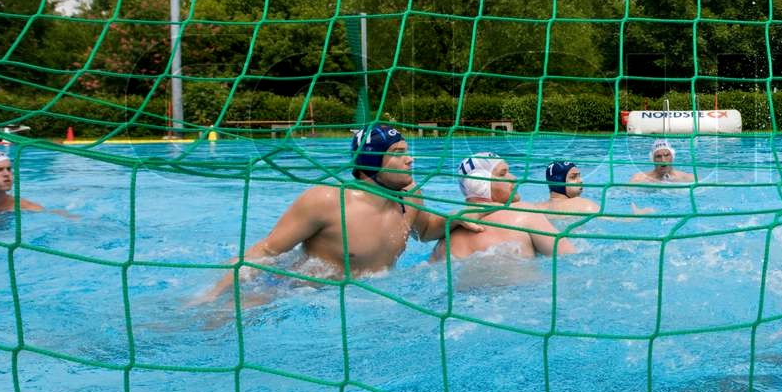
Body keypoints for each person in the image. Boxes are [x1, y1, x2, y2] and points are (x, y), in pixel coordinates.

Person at [195, 124, 460, 308]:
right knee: (227, 317)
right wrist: (213, 293)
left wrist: (458, 218)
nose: (410, 160)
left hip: (366, 296)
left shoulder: (410, 196)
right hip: (297, 291)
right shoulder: (327, 200)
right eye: (398, 153)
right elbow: (267, 249)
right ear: (371, 161)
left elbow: (425, 232)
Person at [430, 154, 575, 264]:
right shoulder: (523, 214)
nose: (514, 178)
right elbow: (572, 258)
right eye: (503, 173)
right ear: (480, 184)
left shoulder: (442, 242)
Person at [629, 139, 695, 185]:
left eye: (666, 155)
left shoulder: (688, 178)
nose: (663, 160)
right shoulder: (639, 179)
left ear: (672, 157)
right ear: (653, 159)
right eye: (658, 156)